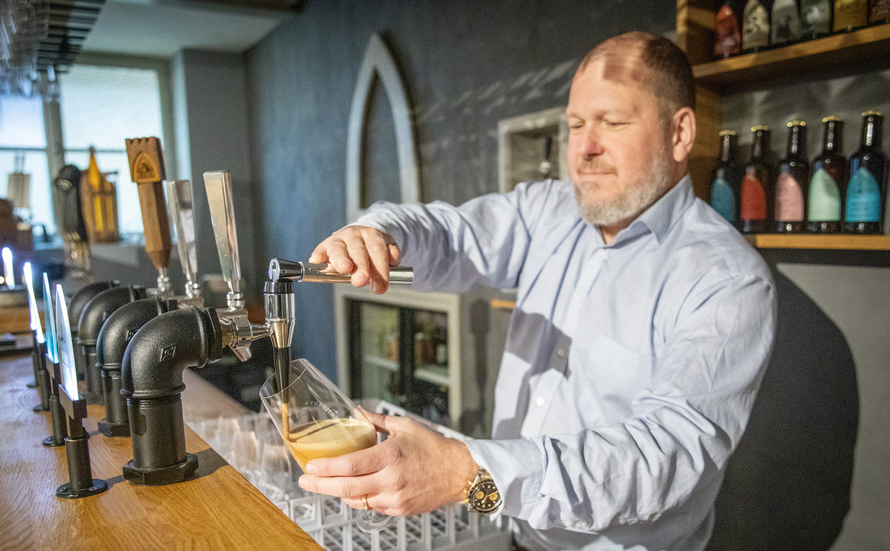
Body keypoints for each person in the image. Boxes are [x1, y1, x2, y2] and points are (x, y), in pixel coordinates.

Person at [299, 31, 776, 550]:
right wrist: (378, 232)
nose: (585, 148)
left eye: (613, 123)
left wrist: (465, 473)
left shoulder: (726, 279)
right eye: (576, 125)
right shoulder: (549, 209)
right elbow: (453, 236)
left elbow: (662, 456)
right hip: (516, 533)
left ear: (680, 133)